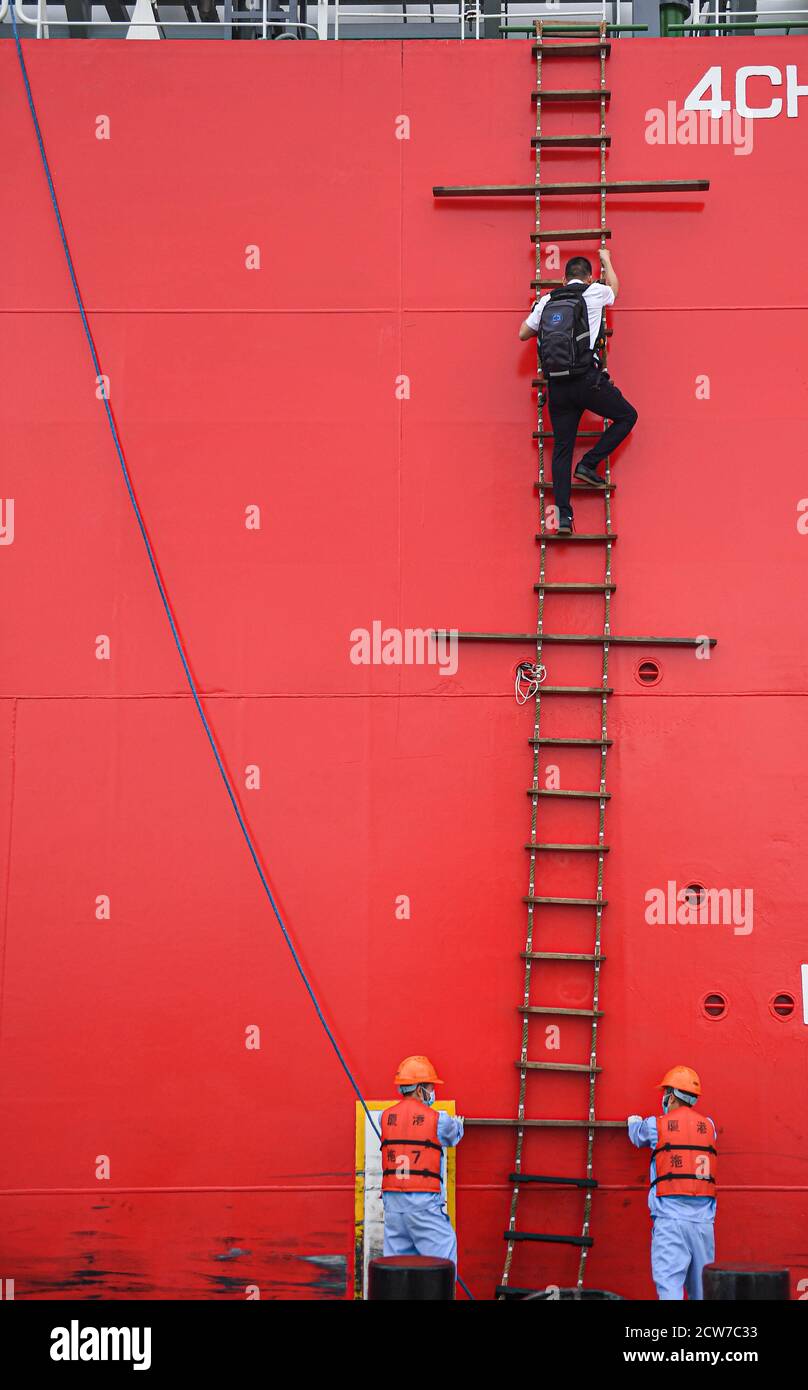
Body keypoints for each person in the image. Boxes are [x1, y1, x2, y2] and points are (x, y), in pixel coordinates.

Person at [519, 249, 638, 535]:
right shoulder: (596, 291)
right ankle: (588, 464)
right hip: (587, 381)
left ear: (563, 279)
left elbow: (523, 332)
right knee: (627, 416)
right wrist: (607, 258)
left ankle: (562, 518)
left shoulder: (548, 300)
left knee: (561, 449)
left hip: (558, 386)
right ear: (586, 276)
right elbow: (616, 290)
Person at [628, 1065, 717, 1301]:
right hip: (704, 1226)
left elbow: (636, 1135)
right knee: (703, 1291)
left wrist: (633, 1120)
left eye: (665, 1092)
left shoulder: (655, 1125)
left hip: (671, 1223)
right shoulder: (709, 1126)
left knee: (670, 1288)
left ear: (672, 1095)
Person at [379, 1055, 464, 1266]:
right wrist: (459, 1124)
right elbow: (453, 1136)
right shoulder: (438, 1120)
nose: (433, 1091)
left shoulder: (385, 1117)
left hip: (393, 1206)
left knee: (396, 1267)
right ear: (419, 1089)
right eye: (430, 1086)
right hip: (423, 1204)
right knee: (441, 1263)